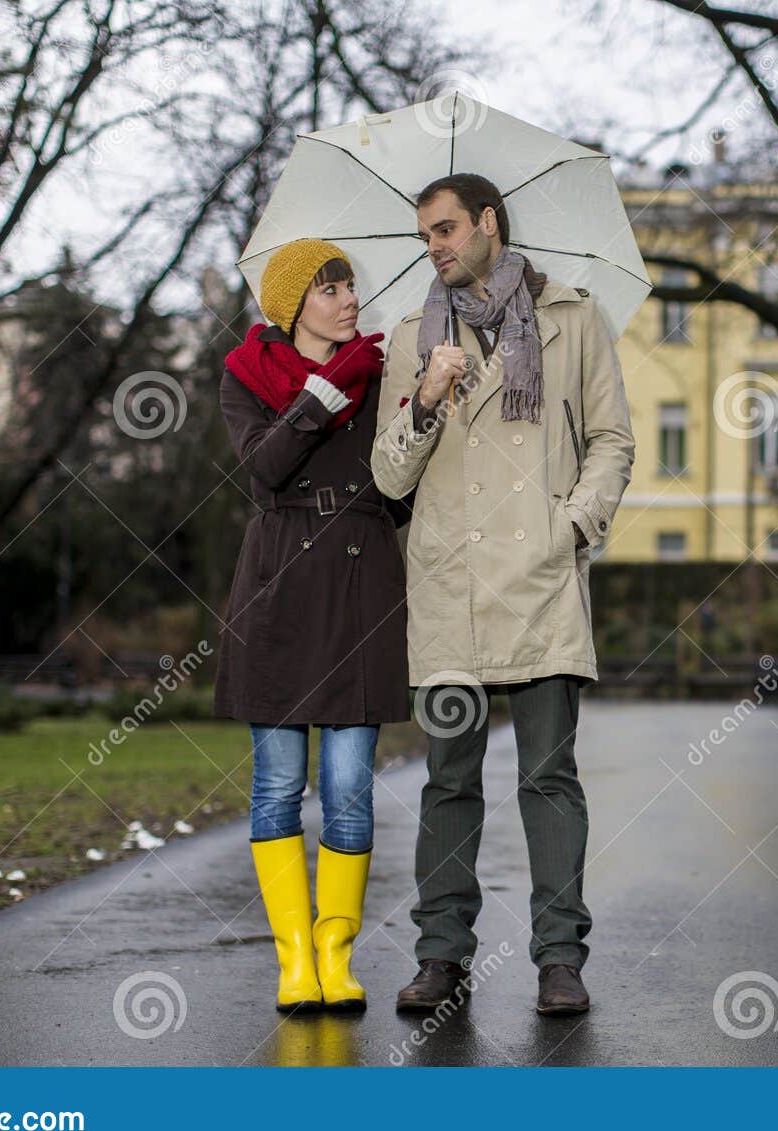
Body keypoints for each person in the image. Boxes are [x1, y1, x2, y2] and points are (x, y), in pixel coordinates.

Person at [370, 173, 634, 1017]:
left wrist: (571, 527)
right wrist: (425, 395)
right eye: (425, 237)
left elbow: (611, 440)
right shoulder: (412, 337)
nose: (435, 246)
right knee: (449, 781)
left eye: (446, 229)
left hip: (543, 583)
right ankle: (441, 957)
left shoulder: (572, 318)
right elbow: (386, 474)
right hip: (451, 589)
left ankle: (560, 958)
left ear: (488, 223)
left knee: (550, 777)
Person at [213, 238, 412, 1015]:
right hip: (279, 585)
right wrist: (327, 393)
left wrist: (419, 406)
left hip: (362, 581)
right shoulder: (246, 377)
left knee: (349, 787)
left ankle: (337, 952)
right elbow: (264, 468)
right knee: (276, 786)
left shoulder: (383, 371)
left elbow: (397, 492)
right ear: (294, 305)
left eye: (351, 287)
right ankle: (295, 960)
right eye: (331, 289)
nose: (349, 300)